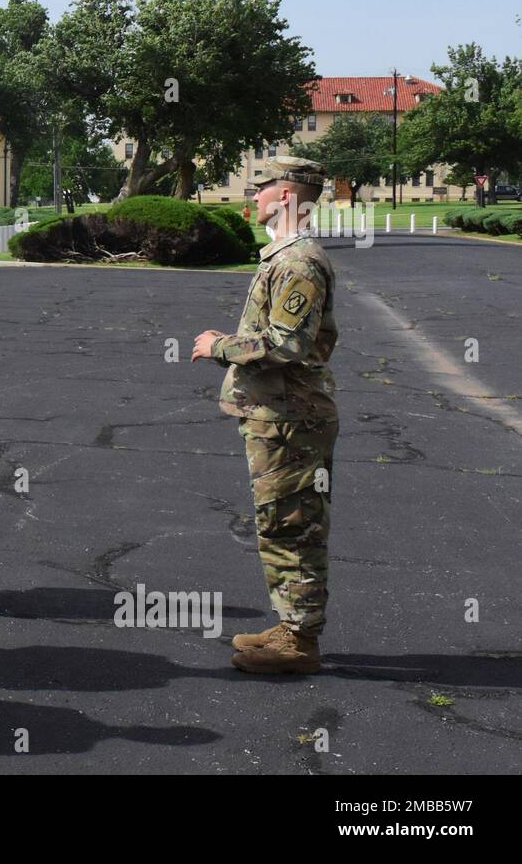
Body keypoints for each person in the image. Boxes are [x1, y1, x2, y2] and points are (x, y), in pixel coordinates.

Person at [191, 155, 338, 675]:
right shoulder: (283, 255)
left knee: (291, 525)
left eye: (261, 188)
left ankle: (298, 642)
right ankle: (290, 624)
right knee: (279, 522)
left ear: (287, 195)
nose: (252, 196)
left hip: (290, 417)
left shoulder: (298, 262)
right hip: (276, 413)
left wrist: (219, 346)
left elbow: (288, 343)